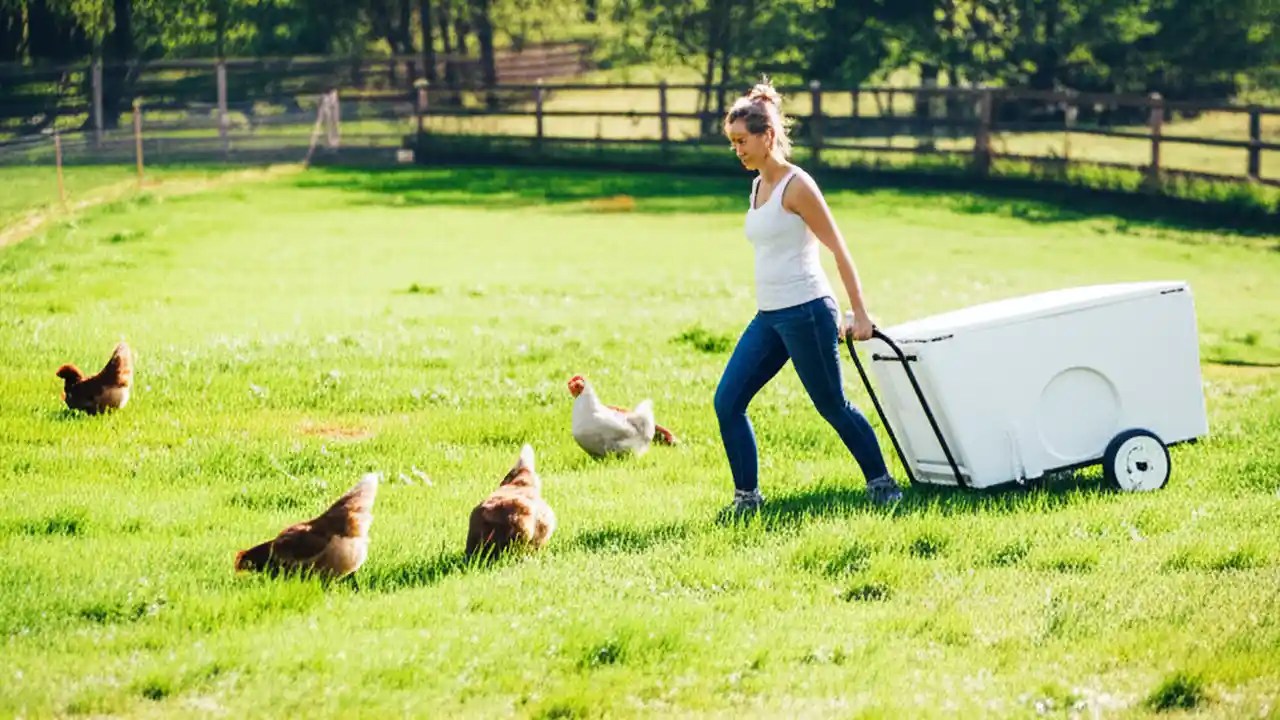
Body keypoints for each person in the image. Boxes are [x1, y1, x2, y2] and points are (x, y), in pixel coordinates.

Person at [715, 77, 903, 514]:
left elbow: (838, 249)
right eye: (733, 143)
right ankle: (747, 499)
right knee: (727, 402)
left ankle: (882, 485)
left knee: (832, 405)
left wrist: (860, 313)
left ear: (767, 136)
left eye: (743, 141)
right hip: (770, 316)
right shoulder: (758, 186)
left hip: (806, 312)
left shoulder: (797, 186)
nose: (738, 150)